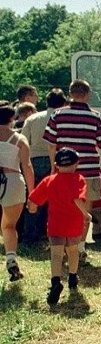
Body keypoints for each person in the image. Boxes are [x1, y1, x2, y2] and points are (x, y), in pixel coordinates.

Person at [43, 79, 101, 261]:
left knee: (62, 210)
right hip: (89, 172)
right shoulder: (96, 116)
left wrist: (54, 167)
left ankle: (62, 248)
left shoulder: (57, 115)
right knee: (84, 213)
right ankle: (79, 249)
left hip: (63, 173)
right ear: (87, 94)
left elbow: (52, 145)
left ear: (70, 94)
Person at [27, 147, 89, 306]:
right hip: (74, 223)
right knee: (72, 251)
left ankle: (55, 282)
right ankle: (73, 277)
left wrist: (32, 208)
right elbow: (77, 199)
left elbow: (34, 200)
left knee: (56, 254)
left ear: (56, 164)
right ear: (76, 164)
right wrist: (86, 215)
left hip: (56, 225)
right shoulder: (79, 179)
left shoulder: (50, 180)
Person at [19, 88, 66, 244]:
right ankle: (46, 232)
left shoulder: (32, 119)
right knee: (52, 200)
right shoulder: (64, 118)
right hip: (57, 161)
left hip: (34, 160)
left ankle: (29, 235)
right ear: (63, 102)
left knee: (33, 198)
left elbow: (24, 141)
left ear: (46, 102)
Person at [0, 105, 35, 281]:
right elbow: (27, 166)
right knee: (9, 225)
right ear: (12, 118)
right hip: (12, 181)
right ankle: (11, 259)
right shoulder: (19, 139)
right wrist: (33, 194)